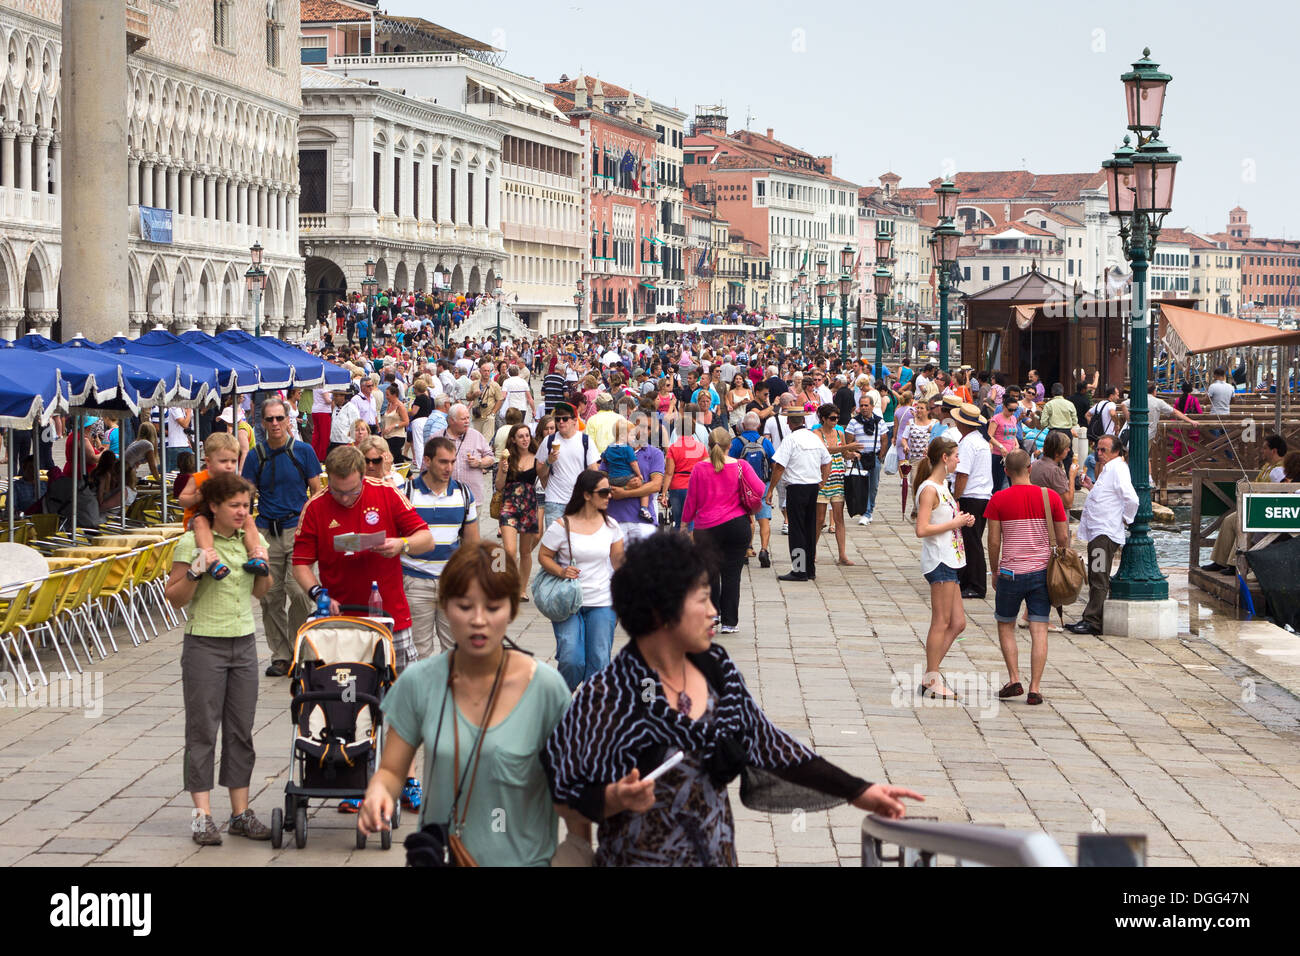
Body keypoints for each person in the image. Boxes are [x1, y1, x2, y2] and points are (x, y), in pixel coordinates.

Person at [542, 531, 923, 867]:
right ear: (660, 611)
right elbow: (565, 792)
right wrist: (615, 798)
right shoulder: (606, 695)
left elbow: (770, 744)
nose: (714, 612)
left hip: (716, 853)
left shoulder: (716, 669)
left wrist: (858, 790)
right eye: (703, 600)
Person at [358, 543, 575, 865]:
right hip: (445, 856)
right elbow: (392, 769)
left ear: (512, 609)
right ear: (444, 606)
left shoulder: (546, 688)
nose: (478, 620)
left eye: (492, 607)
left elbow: (572, 784)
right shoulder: (420, 682)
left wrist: (600, 813)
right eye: (464, 606)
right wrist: (378, 792)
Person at [163, 472, 272, 845]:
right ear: (214, 506)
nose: (243, 512)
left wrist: (263, 563)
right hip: (204, 645)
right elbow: (174, 596)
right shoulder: (192, 541)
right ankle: (202, 816)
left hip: (243, 644)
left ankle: (240, 813)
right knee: (203, 732)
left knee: (241, 731)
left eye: (246, 505)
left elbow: (261, 591)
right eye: (235, 506)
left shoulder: (248, 540)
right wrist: (196, 569)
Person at [292, 445, 435, 670]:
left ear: (363, 476)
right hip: (341, 621)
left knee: (402, 697)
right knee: (348, 696)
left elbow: (427, 539)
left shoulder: (386, 492)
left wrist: (401, 544)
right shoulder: (314, 507)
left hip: (390, 617)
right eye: (337, 491)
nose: (346, 499)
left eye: (353, 491)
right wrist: (319, 594)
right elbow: (300, 564)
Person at [240, 396, 323, 678]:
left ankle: (301, 650)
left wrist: (312, 525)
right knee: (270, 596)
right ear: (262, 423)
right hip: (266, 531)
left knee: (299, 592)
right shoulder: (255, 455)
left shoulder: (303, 451)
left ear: (289, 420)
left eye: (279, 418)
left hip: (297, 530)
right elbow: (246, 496)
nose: (275, 423)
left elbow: (317, 492)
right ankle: (281, 655)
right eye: (270, 419)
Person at [984, 450, 1070, 706]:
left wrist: (995, 571)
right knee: (1039, 628)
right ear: (1030, 469)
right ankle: (1035, 687)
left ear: (1007, 472)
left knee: (1005, 625)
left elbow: (993, 541)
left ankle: (1013, 679)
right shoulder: (1049, 497)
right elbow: (1063, 536)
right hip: (1042, 572)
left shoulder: (998, 499)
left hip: (1011, 572)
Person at [537, 469, 625, 691]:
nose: (609, 496)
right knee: (572, 659)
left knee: (599, 662)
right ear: (586, 495)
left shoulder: (612, 527)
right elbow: (543, 556)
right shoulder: (562, 526)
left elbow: (619, 564)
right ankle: (559, 699)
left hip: (602, 601)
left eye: (610, 491)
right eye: (604, 492)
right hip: (568, 602)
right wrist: (560, 571)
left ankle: (590, 713)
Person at [403, 437, 481, 658]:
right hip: (415, 580)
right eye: (443, 462)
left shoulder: (464, 494)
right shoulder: (406, 493)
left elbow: (472, 544)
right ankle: (424, 693)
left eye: (452, 462)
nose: (449, 468)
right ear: (427, 461)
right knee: (419, 653)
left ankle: (450, 692)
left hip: (452, 583)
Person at [683, 427, 766, 634]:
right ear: (730, 446)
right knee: (732, 575)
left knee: (709, 574)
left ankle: (713, 615)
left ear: (708, 446)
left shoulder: (699, 468)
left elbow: (691, 500)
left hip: (707, 528)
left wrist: (685, 524)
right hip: (737, 525)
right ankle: (730, 622)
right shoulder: (741, 466)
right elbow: (760, 489)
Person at [913, 437, 975, 700]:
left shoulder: (943, 486)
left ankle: (931, 674)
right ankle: (932, 677)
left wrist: (962, 521)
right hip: (939, 560)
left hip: (951, 558)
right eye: (956, 455)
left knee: (958, 623)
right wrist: (955, 523)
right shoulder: (930, 489)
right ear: (944, 458)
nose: (959, 459)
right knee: (941, 621)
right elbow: (922, 529)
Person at [1067, 435, 1137, 635]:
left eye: (1103, 450)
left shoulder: (1118, 468)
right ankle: (1091, 617)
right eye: (1097, 449)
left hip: (1105, 532)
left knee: (1098, 575)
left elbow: (1131, 498)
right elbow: (1108, 493)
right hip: (1098, 531)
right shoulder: (1109, 469)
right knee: (1096, 573)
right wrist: (1091, 486)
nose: (1098, 453)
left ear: (1116, 452)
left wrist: (1127, 518)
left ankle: (1093, 620)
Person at [177, 432, 269, 581]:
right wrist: (196, 497)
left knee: (249, 519)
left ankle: (255, 555)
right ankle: (210, 558)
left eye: (233, 461)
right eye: (223, 461)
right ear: (208, 461)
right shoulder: (199, 478)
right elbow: (182, 500)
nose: (229, 466)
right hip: (199, 517)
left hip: (224, 518)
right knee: (201, 522)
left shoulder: (232, 480)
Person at [766, 407, 831, 582]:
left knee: (797, 530)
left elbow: (779, 466)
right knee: (809, 528)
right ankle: (809, 568)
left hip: (796, 487)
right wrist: (822, 482)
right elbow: (827, 462)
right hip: (812, 487)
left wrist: (771, 489)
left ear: (788, 423)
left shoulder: (790, 440)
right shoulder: (815, 438)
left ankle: (799, 570)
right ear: (802, 421)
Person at [952, 403, 993, 600]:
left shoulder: (968, 444)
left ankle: (976, 585)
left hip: (971, 496)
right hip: (982, 495)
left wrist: (956, 497)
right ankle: (968, 580)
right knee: (971, 539)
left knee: (971, 541)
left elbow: (962, 475)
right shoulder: (980, 441)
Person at [536, 401, 600, 527]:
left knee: (578, 542)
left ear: (574, 421)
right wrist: (549, 461)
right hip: (554, 500)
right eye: (558, 419)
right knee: (555, 543)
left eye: (565, 419)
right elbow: (540, 472)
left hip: (579, 501)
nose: (561, 422)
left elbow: (593, 471)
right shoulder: (549, 441)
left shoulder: (585, 441)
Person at [811, 404, 860, 566]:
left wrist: (851, 454)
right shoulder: (816, 434)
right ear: (823, 419)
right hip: (822, 480)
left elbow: (843, 453)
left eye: (837, 418)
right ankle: (812, 550)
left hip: (838, 480)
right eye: (832, 418)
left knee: (839, 518)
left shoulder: (839, 433)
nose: (835, 421)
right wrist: (847, 447)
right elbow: (825, 451)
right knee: (819, 519)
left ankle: (842, 554)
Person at [604, 412, 665, 545]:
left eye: (649, 428)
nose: (644, 431)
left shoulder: (655, 453)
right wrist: (624, 488)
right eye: (641, 426)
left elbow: (655, 486)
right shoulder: (613, 449)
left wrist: (625, 492)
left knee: (645, 565)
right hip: (614, 520)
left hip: (644, 523)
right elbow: (600, 482)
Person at [496, 423, 540, 601]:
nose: (525, 439)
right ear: (513, 439)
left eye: (527, 435)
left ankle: (521, 590)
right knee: (509, 550)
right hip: (509, 504)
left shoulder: (537, 458)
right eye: (521, 436)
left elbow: (544, 478)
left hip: (529, 505)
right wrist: (503, 470)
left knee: (526, 551)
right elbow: (499, 485)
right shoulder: (507, 458)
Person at [429, 403, 496, 517]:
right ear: (451, 421)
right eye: (463, 419)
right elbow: (425, 469)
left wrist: (479, 463)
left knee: (471, 534)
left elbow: (491, 457)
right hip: (444, 499)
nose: (467, 421)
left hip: (472, 499)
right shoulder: (437, 439)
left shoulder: (476, 436)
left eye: (468, 418)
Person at [728, 412, 775, 568]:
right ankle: (764, 549)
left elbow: (730, 463)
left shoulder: (736, 442)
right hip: (763, 484)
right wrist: (771, 486)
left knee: (747, 518)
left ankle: (747, 549)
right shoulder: (765, 442)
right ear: (758, 425)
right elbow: (774, 463)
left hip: (743, 486)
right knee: (764, 519)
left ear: (742, 426)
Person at [844, 393, 886, 526]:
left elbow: (884, 439)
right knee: (862, 485)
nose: (863, 408)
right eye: (861, 405)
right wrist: (852, 453)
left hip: (874, 457)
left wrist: (881, 455)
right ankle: (865, 512)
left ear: (872, 407)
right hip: (860, 457)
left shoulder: (879, 421)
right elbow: (848, 440)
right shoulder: (854, 422)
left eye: (866, 405)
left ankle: (870, 510)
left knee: (873, 486)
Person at [381, 382, 410, 463]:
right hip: (388, 436)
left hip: (397, 436)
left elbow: (406, 422)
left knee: (396, 457)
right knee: (392, 458)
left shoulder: (400, 406)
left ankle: (408, 475)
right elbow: (386, 419)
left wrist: (394, 426)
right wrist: (383, 432)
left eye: (388, 395)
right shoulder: (389, 405)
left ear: (394, 395)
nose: (386, 397)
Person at [328, 387, 360, 452]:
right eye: (334, 395)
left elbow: (355, 425)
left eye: (336, 396)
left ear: (343, 396)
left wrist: (352, 443)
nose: (334, 398)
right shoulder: (335, 408)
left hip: (345, 442)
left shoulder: (351, 408)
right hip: (334, 441)